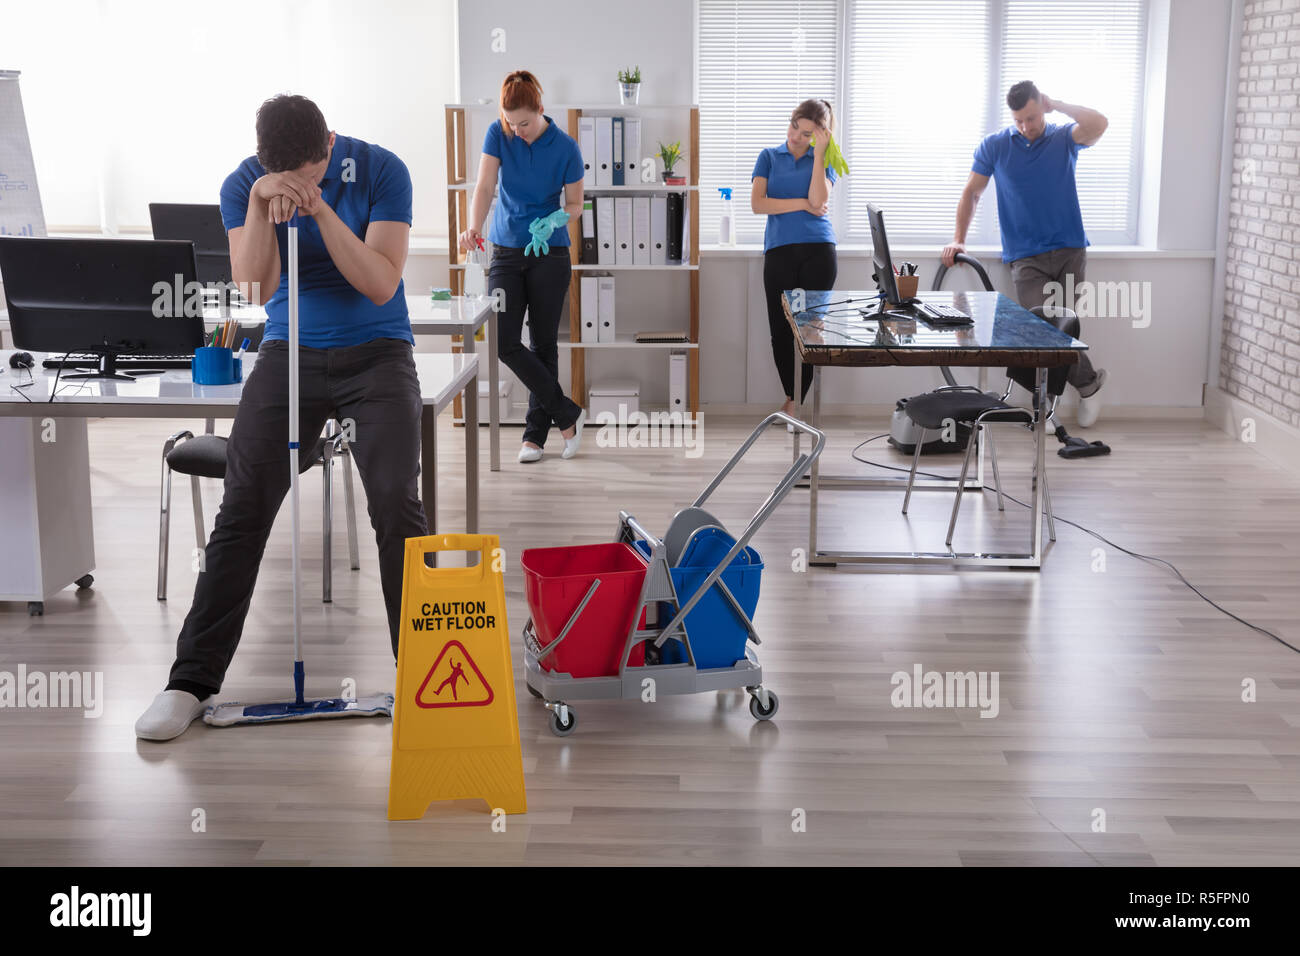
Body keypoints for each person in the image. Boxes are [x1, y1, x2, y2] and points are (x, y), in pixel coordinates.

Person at [135, 94, 425, 741]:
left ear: (328, 142)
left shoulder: (381, 171)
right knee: (242, 505)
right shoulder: (245, 183)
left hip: (379, 352)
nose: (301, 184)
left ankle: (428, 674)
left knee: (398, 506)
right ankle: (189, 681)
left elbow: (378, 282)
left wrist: (319, 211)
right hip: (289, 351)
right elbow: (253, 290)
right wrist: (264, 204)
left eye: (312, 174)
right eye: (285, 175)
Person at [942, 80, 1110, 427]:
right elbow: (972, 193)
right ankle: (1070, 393)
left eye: (1031, 118)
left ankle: (1062, 397)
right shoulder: (997, 146)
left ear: (1042, 107)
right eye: (1019, 120)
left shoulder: (1064, 138)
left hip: (1069, 250)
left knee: (1060, 331)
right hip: (1026, 255)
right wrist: (958, 239)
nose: (1026, 126)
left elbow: (1099, 124)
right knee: (1040, 332)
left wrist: (1059, 104)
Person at [460, 70, 586, 464]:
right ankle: (567, 414)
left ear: (541, 110)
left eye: (524, 123)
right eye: (510, 122)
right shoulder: (498, 134)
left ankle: (534, 437)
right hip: (506, 251)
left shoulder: (566, 147)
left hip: (549, 252)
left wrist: (554, 221)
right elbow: (484, 187)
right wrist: (473, 226)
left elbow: (577, 205)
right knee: (504, 341)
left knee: (544, 343)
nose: (517, 131)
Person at [752, 98, 839, 419]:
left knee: (811, 331)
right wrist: (803, 203)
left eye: (806, 134)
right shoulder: (769, 157)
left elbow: (820, 199)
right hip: (779, 252)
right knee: (781, 330)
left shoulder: (826, 161)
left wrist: (818, 157)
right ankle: (792, 397)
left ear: (818, 137)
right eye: (794, 127)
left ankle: (795, 406)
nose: (796, 137)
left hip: (818, 252)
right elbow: (758, 204)